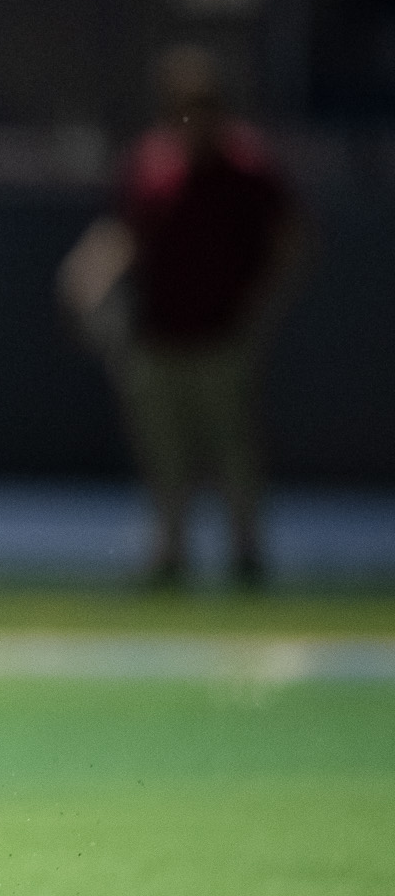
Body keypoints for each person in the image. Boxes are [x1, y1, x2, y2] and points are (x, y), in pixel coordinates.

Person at [59, 44, 303, 587]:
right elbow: (125, 233)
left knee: (232, 449)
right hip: (157, 333)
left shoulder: (249, 166)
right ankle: (169, 554)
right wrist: (90, 273)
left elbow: (290, 239)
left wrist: (258, 306)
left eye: (203, 104)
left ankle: (247, 555)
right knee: (162, 453)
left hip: (220, 334)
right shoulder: (151, 163)